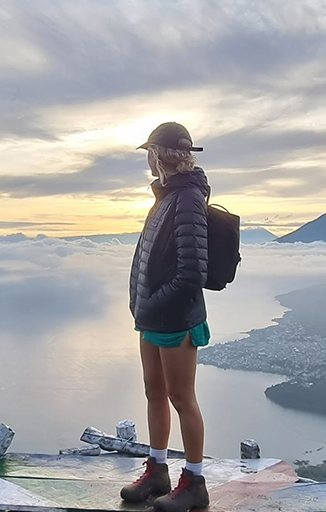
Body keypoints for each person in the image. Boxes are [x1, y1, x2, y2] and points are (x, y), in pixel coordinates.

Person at [120, 122, 210, 512]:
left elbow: (192, 274)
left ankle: (194, 482)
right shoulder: (167, 196)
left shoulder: (187, 197)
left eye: (150, 155)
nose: (149, 162)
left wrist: (151, 303)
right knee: (154, 393)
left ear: (158, 155)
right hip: (152, 316)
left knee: (181, 398)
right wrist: (141, 305)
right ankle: (157, 471)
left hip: (175, 319)